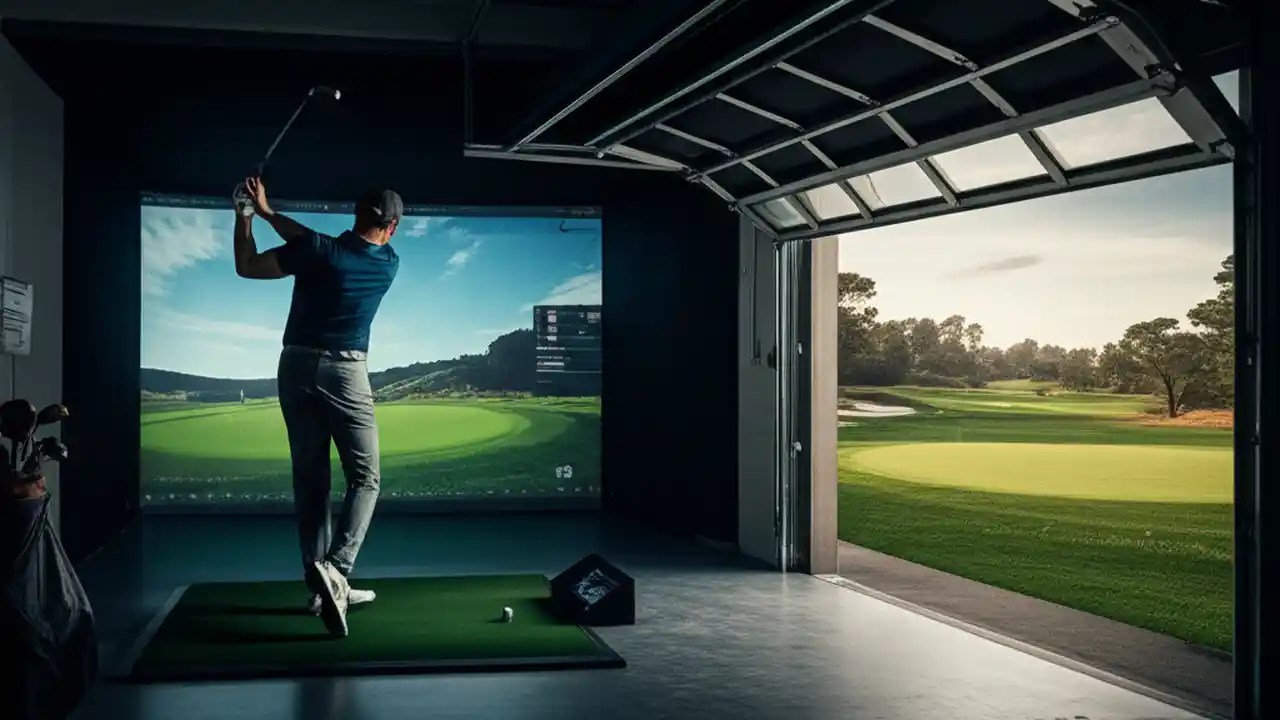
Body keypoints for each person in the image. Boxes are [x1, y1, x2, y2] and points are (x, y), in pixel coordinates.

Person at [234, 176, 401, 637]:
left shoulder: (318, 251)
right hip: (345, 372)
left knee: (311, 480)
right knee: (366, 477)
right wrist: (271, 216)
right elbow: (311, 239)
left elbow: (247, 266)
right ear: (393, 228)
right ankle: (338, 571)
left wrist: (249, 215)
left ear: (355, 214)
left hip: (294, 367)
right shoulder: (389, 262)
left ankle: (319, 585)